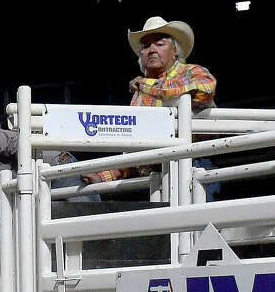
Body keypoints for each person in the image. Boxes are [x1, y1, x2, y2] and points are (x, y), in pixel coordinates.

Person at [81, 16, 217, 188]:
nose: (152, 50)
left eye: (160, 44)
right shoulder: (140, 93)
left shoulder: (191, 72)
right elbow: (136, 151)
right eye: (146, 46)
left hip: (194, 169)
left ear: (175, 50)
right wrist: (105, 175)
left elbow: (205, 89)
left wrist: (147, 85)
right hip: (155, 178)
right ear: (141, 56)